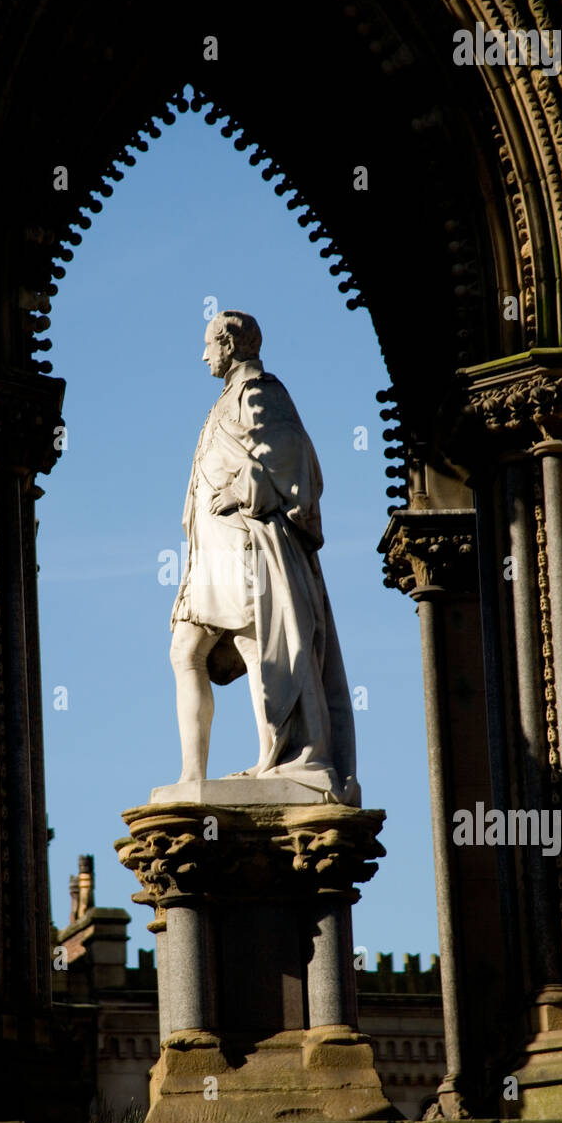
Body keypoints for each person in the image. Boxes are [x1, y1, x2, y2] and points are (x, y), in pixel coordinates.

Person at [169, 309, 359, 804]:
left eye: (209, 345)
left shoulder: (260, 391)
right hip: (215, 553)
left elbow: (295, 458)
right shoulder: (228, 399)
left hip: (247, 544)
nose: (203, 354)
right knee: (186, 651)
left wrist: (245, 489)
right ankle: (193, 775)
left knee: (261, 648)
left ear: (229, 344)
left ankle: (284, 758)